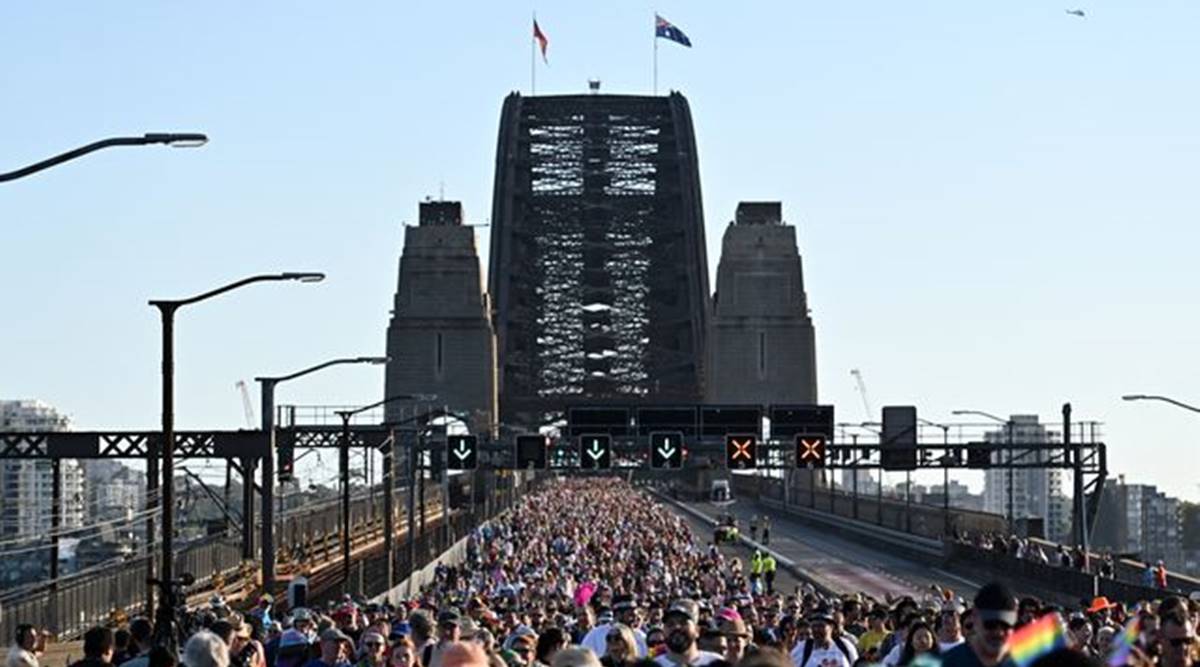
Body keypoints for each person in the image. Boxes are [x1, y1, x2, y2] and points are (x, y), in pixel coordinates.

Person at [941, 582, 1017, 667]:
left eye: (1006, 625)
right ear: (975, 618)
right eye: (991, 624)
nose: (999, 632)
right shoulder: (951, 661)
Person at [653, 600, 722, 667]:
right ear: (663, 632)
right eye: (670, 624)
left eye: (683, 623)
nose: (676, 627)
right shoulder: (653, 665)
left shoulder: (715, 663)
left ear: (697, 630)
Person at [789, 609, 856, 667]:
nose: (816, 630)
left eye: (821, 626)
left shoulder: (845, 647)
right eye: (814, 626)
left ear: (831, 627)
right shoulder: (802, 649)